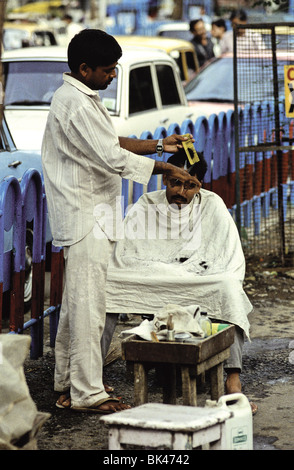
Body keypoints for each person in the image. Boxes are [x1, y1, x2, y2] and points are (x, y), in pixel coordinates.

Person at [41, 29, 199, 413]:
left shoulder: (82, 98)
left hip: (94, 216)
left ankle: (68, 382)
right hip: (84, 218)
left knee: (79, 306)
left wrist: (163, 145)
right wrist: (166, 168)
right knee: (88, 309)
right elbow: (112, 158)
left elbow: (112, 142)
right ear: (84, 68)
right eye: (109, 70)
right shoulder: (74, 104)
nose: (113, 75)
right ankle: (86, 393)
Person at [105, 149, 257, 414]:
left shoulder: (212, 204)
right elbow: (125, 253)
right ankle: (93, 375)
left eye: (190, 185)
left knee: (229, 289)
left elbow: (227, 257)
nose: (181, 191)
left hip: (198, 279)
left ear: (200, 185)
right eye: (176, 182)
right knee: (109, 285)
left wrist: (190, 271)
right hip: (154, 279)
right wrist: (164, 269)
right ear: (165, 179)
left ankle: (233, 378)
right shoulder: (146, 204)